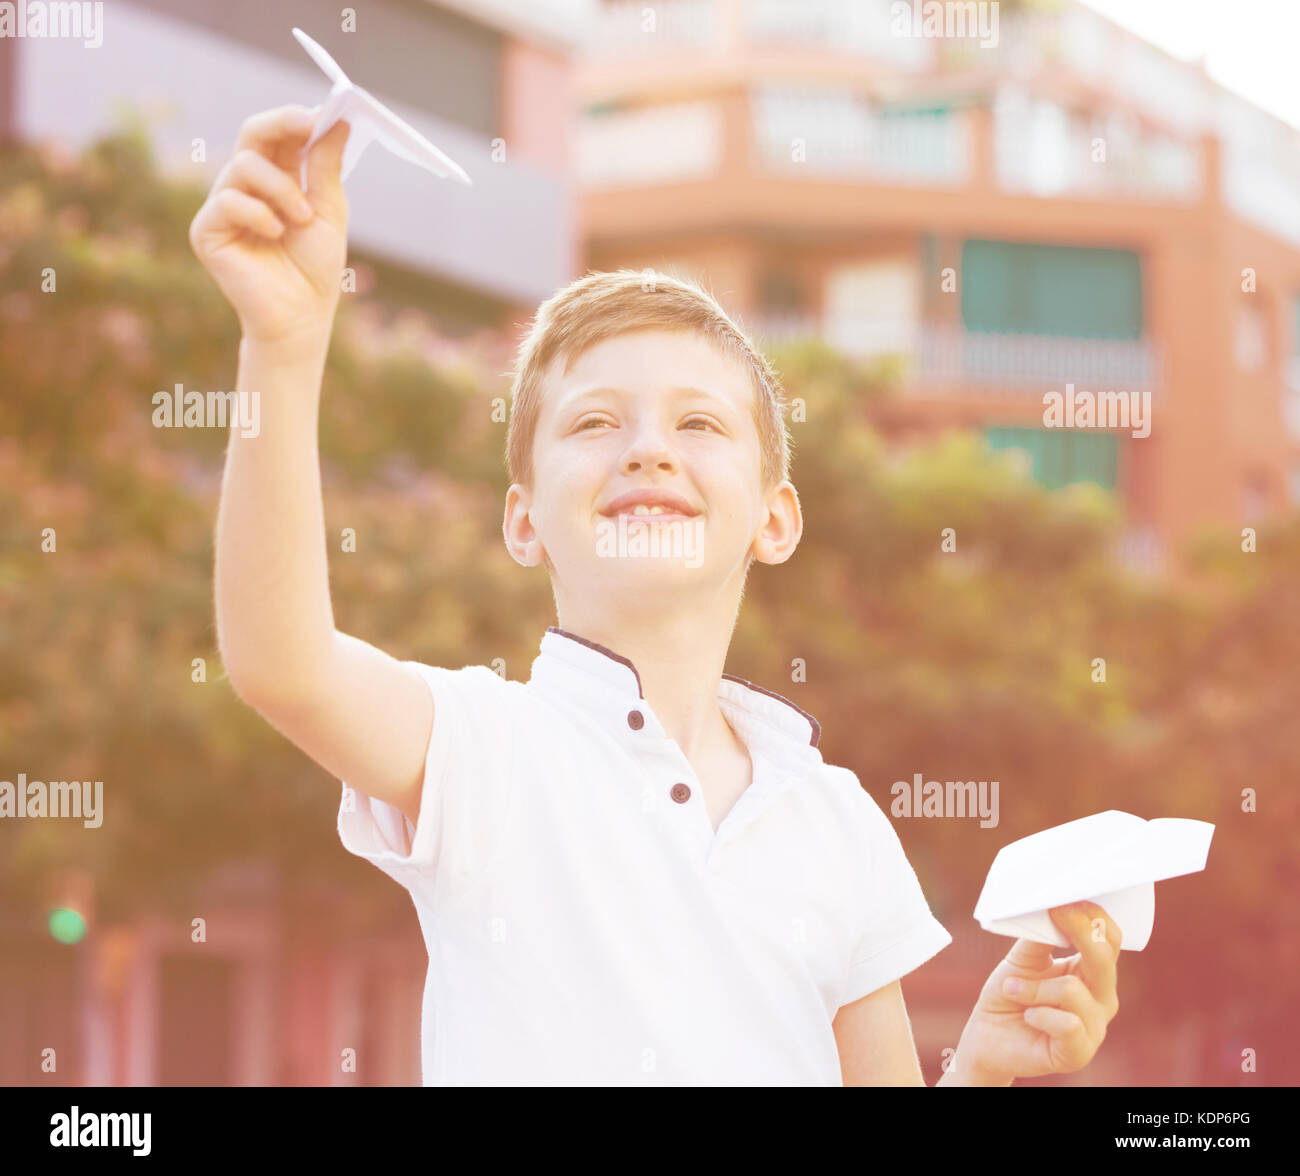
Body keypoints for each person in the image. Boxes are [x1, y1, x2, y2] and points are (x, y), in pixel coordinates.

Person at [188, 105, 1121, 1086]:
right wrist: (282, 348)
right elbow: (281, 662)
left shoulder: (835, 820)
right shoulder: (483, 747)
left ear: (774, 519)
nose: (647, 447)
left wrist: (975, 1071)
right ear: (523, 521)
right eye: (595, 420)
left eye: (699, 424)